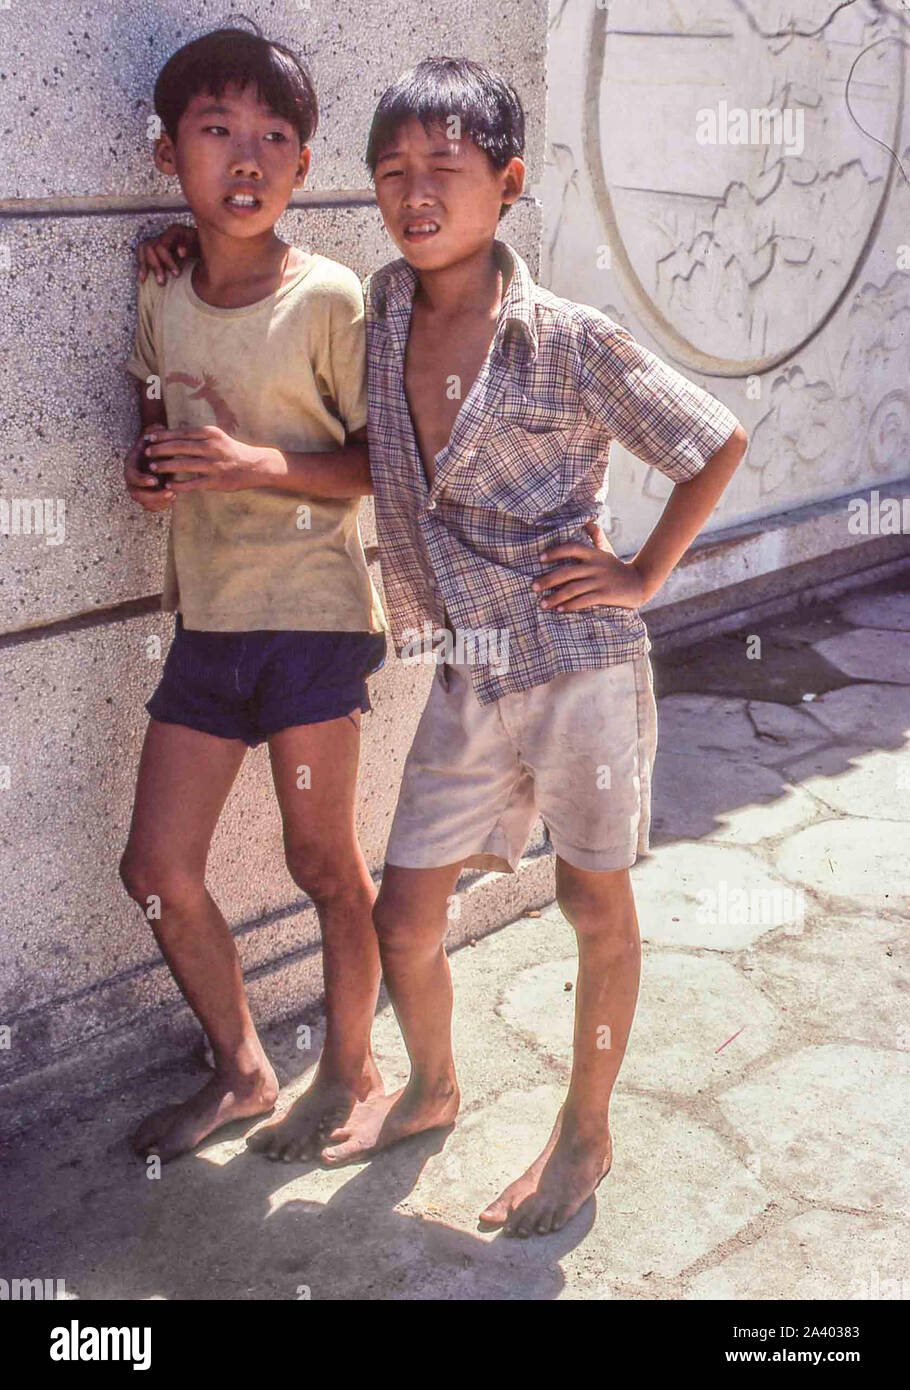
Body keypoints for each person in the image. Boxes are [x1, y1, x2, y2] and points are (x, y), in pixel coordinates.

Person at [138, 56, 748, 1236]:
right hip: (469, 672)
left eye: (445, 171)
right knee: (405, 918)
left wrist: (642, 573)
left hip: (580, 665)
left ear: (507, 182)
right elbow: (261, 278)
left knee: (592, 902)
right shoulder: (380, 307)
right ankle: (430, 1084)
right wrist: (174, 236)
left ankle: (585, 1130)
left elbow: (711, 441)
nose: (416, 192)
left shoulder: (566, 336)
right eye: (393, 172)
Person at [119, 24, 388, 1164]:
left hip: (316, 624)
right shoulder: (162, 291)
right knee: (155, 870)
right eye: (215, 129)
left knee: (321, 862)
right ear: (168, 150)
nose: (244, 156)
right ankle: (242, 1071)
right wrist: (146, 472)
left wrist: (257, 465)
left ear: (304, 167)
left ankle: (360, 1070)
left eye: (273, 136)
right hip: (209, 624)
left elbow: (385, 466)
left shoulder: (332, 300)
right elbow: (148, 429)